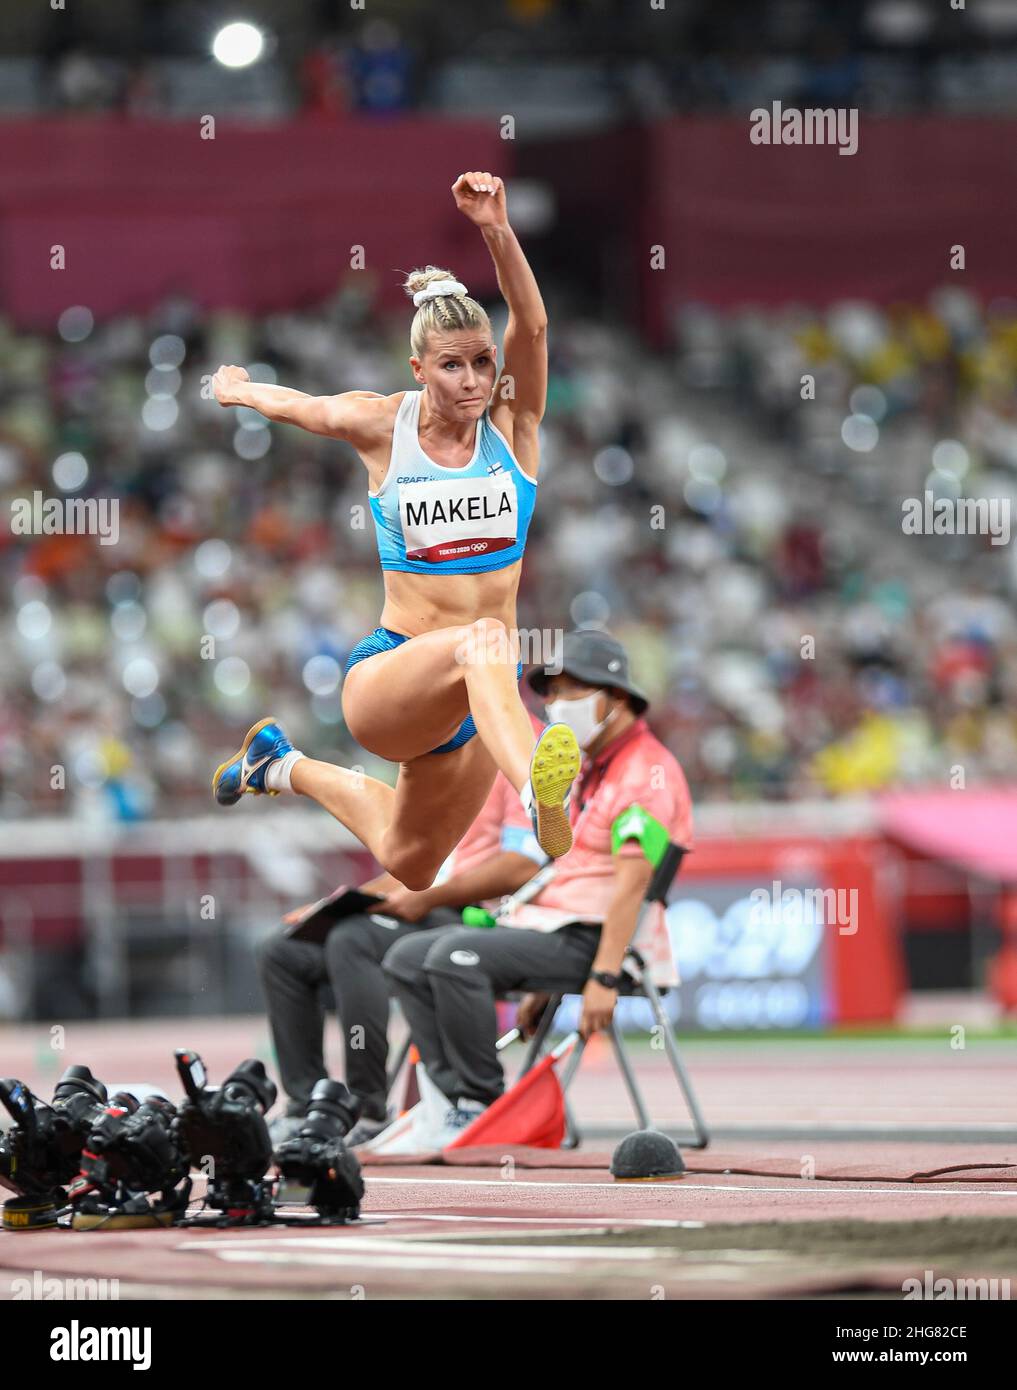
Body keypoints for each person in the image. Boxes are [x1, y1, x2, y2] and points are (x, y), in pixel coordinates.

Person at [209, 171, 580, 888]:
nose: (473, 380)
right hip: (392, 681)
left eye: (482, 363)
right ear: (418, 369)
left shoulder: (513, 428)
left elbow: (531, 327)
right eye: (452, 366)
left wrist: (495, 229)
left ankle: (276, 765)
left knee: (412, 863)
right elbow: (307, 408)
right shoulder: (386, 427)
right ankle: (538, 792)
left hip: (476, 709)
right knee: (486, 642)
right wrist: (243, 390)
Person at [380, 629, 694, 1147]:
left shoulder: (648, 774)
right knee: (407, 957)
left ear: (614, 698)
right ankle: (449, 1100)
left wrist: (604, 979)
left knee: (455, 955)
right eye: (549, 694)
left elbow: (630, 887)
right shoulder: (594, 770)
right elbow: (573, 879)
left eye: (570, 692)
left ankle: (484, 1106)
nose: (554, 705)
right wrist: (543, 986)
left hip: (600, 943)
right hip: (559, 933)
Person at [258, 753, 546, 1146]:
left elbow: (522, 867)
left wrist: (428, 898)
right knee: (284, 949)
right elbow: (415, 868)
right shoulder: (445, 750)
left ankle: (364, 1108)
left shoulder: (520, 754)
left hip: (478, 917)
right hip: (423, 903)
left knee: (353, 938)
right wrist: (332, 905)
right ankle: (307, 1105)